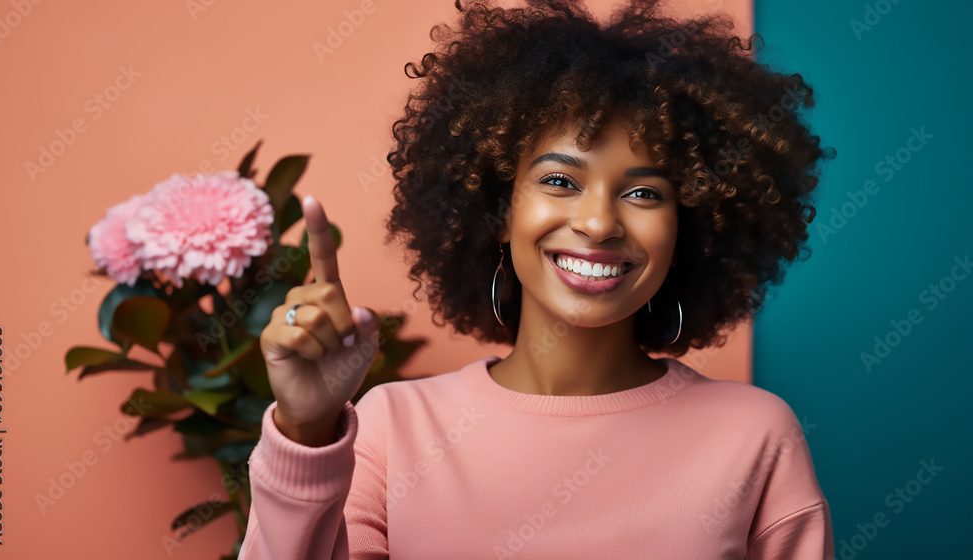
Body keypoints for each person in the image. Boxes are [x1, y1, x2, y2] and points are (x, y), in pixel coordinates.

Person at [238, 0, 836, 558]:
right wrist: (305, 433)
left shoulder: (754, 436)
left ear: (688, 229)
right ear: (498, 211)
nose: (599, 223)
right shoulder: (392, 428)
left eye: (644, 192)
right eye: (559, 181)